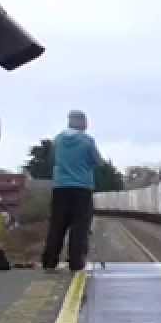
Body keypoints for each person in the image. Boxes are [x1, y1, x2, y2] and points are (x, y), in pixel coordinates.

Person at [41, 110, 103, 271]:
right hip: (81, 188)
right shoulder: (87, 141)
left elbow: (53, 159)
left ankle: (49, 261)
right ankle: (76, 262)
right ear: (81, 123)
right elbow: (98, 161)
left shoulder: (58, 140)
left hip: (60, 188)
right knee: (79, 227)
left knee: (57, 225)